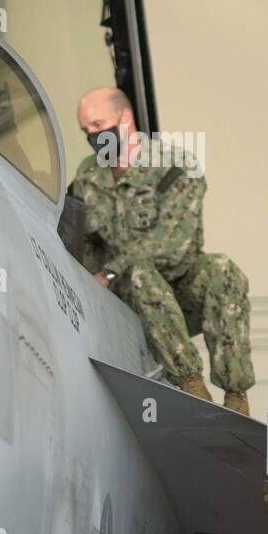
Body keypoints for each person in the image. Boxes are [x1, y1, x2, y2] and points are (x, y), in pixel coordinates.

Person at [68, 86, 255, 415]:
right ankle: (191, 385)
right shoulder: (88, 176)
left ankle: (236, 396)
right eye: (86, 130)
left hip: (177, 291)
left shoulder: (175, 166)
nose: (92, 136)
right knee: (140, 275)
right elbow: (80, 239)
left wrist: (111, 269)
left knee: (222, 270)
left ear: (125, 119)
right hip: (126, 300)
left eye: (98, 126)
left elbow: (173, 244)